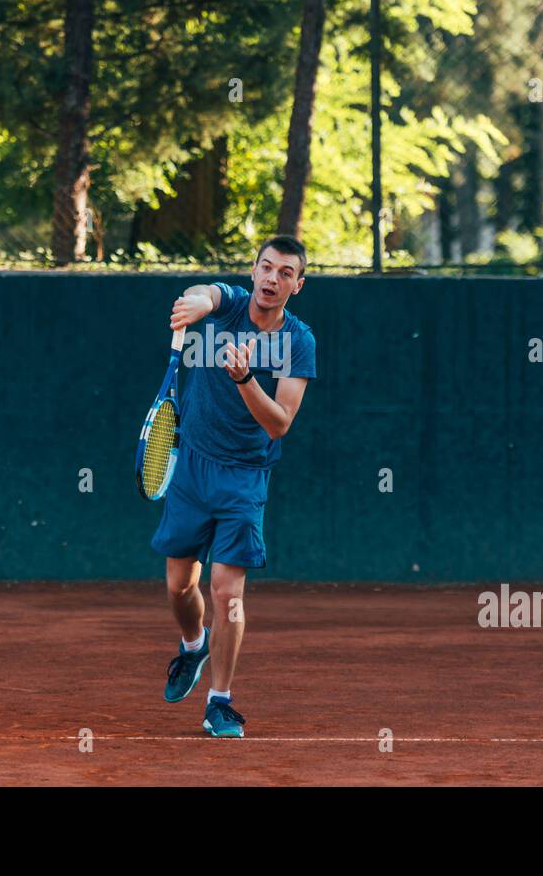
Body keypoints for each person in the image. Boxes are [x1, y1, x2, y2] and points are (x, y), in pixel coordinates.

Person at [152, 235, 317, 738]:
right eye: (266, 267)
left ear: (298, 285)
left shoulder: (299, 341)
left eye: (285, 273)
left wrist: (247, 379)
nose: (272, 278)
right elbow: (207, 293)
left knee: (228, 593)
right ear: (254, 271)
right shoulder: (229, 305)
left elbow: (281, 423)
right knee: (180, 585)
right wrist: (196, 302)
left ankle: (219, 702)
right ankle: (192, 644)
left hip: (244, 477)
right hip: (192, 469)